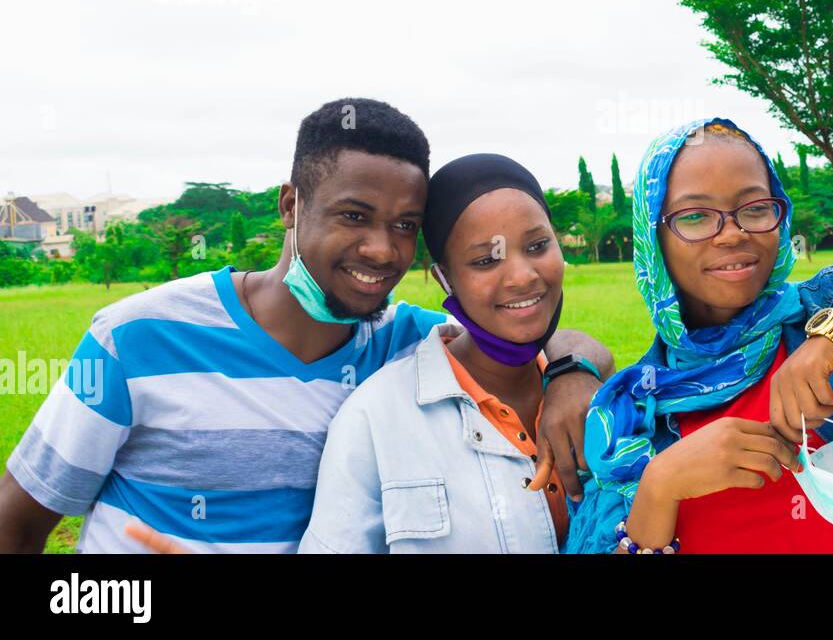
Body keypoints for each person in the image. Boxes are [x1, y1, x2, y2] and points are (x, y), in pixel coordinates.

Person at [0, 100, 607, 553]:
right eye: (354, 215)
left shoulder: (406, 344)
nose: (381, 250)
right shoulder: (136, 337)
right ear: (291, 205)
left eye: (404, 226)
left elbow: (524, 328)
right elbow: (20, 520)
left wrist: (573, 371)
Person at [565, 118, 833, 554]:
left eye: (755, 208)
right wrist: (660, 486)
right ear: (652, 239)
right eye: (696, 216)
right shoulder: (630, 414)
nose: (733, 233)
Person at [299, 154, 613, 553]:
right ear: (444, 278)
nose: (522, 277)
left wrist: (573, 371)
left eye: (537, 245)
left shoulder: (598, 394)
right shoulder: (374, 420)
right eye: (485, 260)